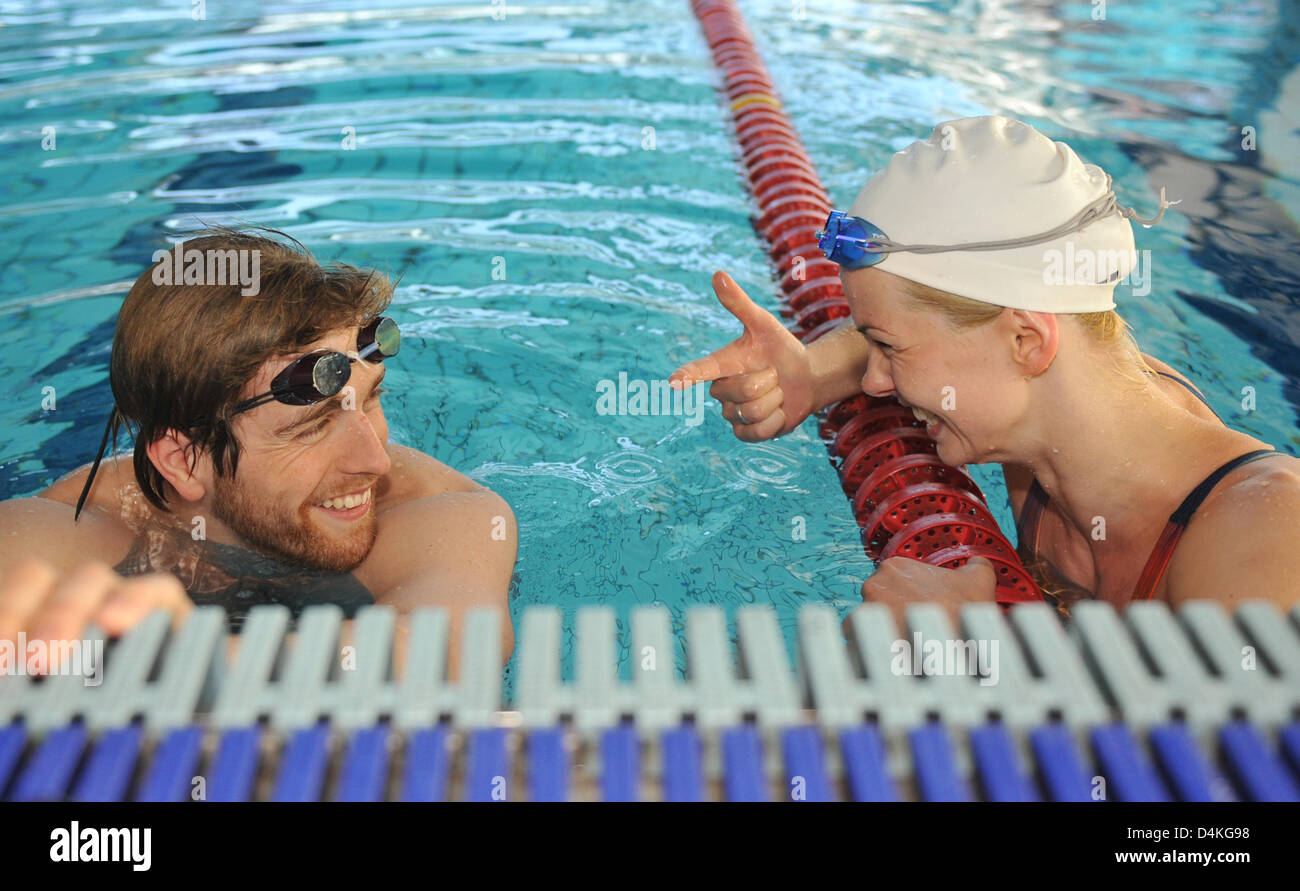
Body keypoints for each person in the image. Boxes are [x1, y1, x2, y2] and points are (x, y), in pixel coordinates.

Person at [672, 116, 1300, 620]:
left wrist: (997, 661)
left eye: (889, 349)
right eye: (875, 349)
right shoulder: (1074, 400)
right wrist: (814, 371)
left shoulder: (1266, 542)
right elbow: (942, 331)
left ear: (1027, 340)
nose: (873, 383)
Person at [0, 228, 516, 670]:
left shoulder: (443, 511)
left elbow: (446, 652)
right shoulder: (66, 527)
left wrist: (190, 660)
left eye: (371, 398)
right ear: (184, 460)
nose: (375, 461)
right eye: (311, 427)